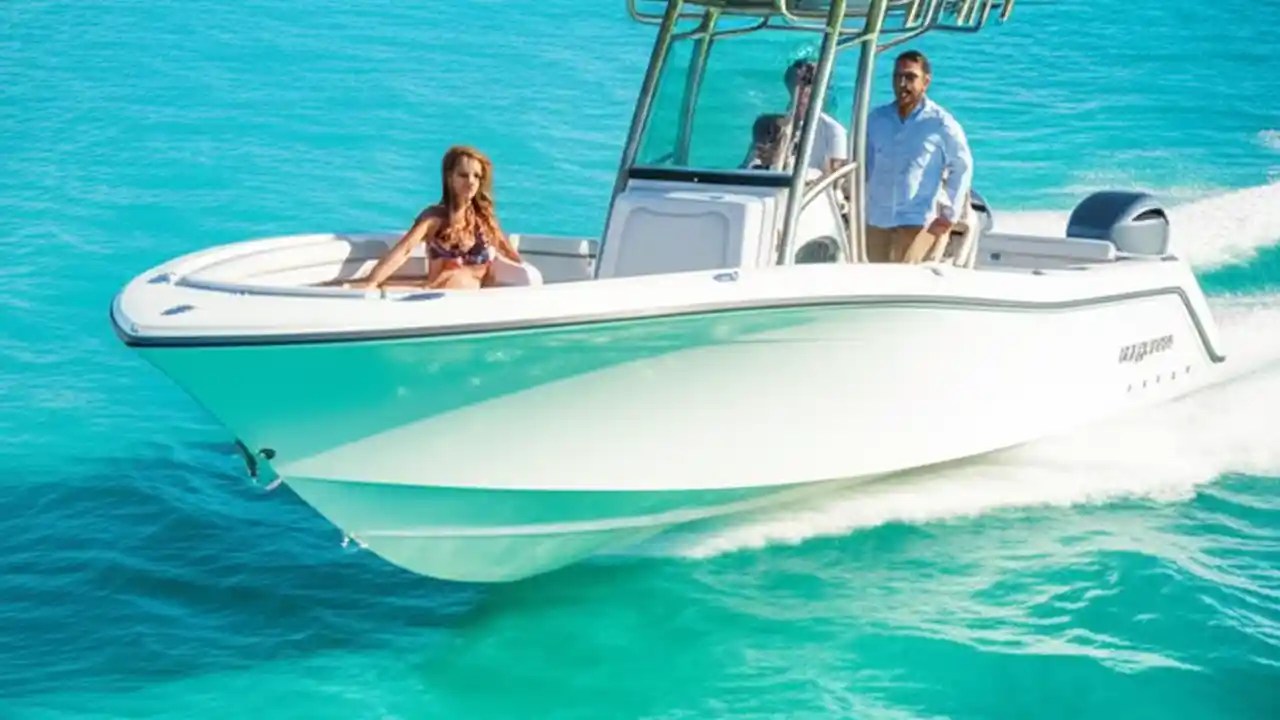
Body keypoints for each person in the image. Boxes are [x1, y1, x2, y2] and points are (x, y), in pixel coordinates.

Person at [347, 145, 522, 290]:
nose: (471, 182)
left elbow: (509, 252)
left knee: (459, 276)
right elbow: (404, 250)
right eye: (463, 175)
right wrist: (372, 283)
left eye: (476, 176)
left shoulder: (484, 220)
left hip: (475, 302)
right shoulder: (434, 219)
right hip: (437, 300)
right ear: (449, 178)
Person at [864, 50, 973, 264]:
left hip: (917, 220)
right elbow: (864, 166)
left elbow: (962, 166)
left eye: (910, 77)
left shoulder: (940, 123)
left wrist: (949, 215)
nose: (903, 84)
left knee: (905, 282)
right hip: (878, 218)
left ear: (926, 82)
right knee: (876, 284)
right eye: (898, 77)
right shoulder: (876, 120)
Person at [784, 60, 849, 174]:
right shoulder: (776, 126)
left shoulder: (834, 131)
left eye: (803, 86)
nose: (799, 91)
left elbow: (836, 181)